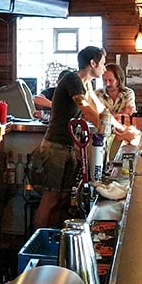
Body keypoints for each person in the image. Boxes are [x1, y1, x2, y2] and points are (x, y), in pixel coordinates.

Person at [33, 46, 107, 229]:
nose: (104, 68)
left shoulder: (86, 85)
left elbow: (100, 110)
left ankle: (58, 240)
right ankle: (40, 243)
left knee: (64, 198)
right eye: (103, 64)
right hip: (55, 146)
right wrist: (107, 127)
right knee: (50, 199)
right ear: (92, 63)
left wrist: (118, 129)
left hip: (69, 146)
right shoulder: (72, 79)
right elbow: (87, 110)